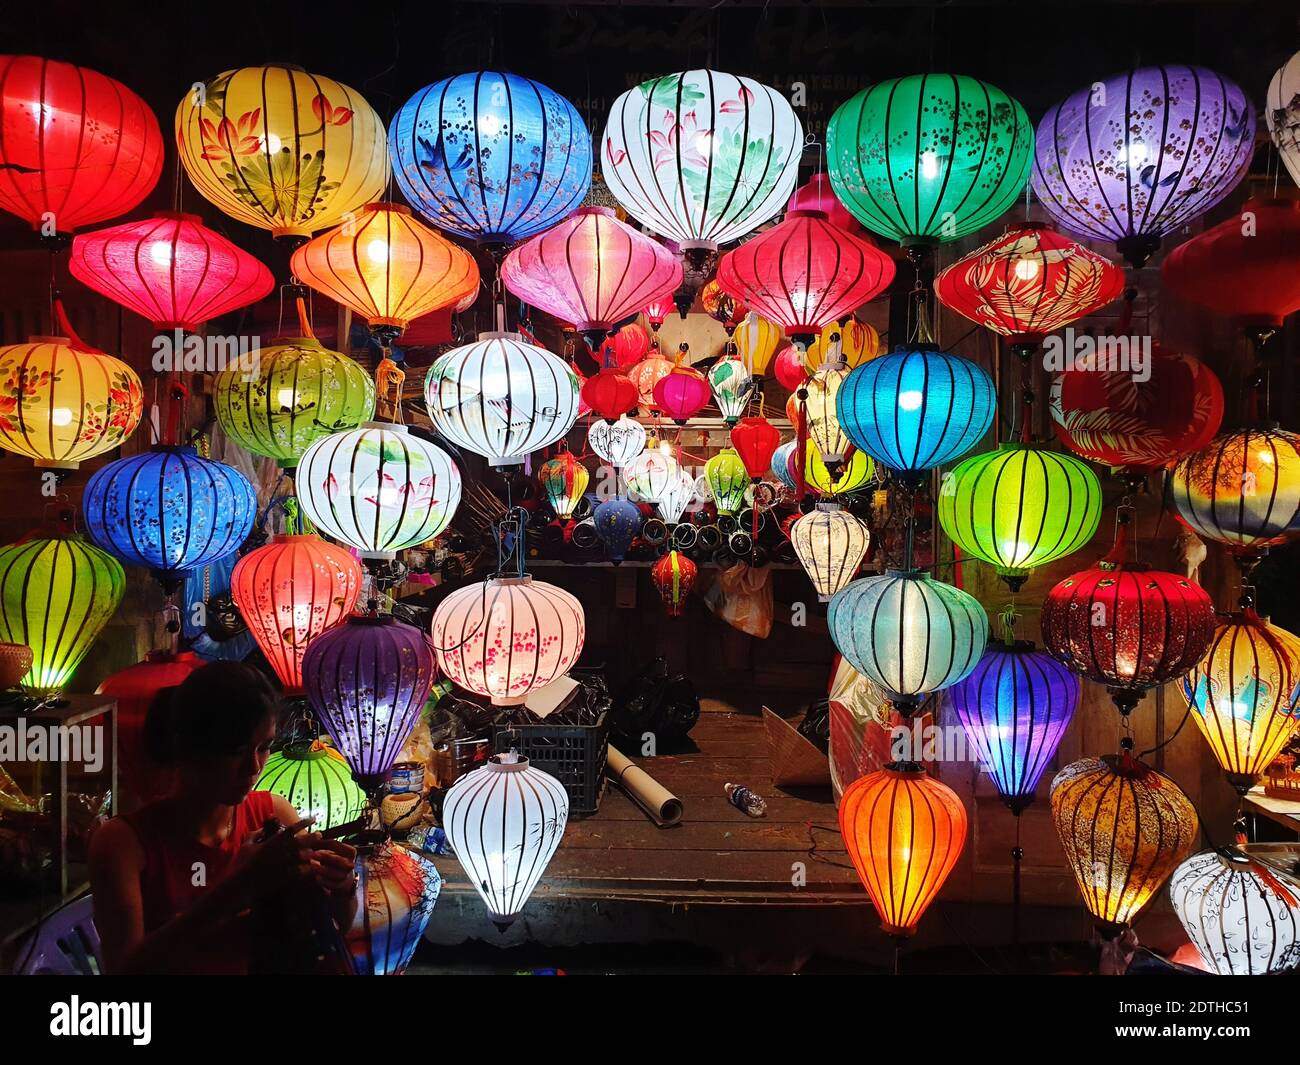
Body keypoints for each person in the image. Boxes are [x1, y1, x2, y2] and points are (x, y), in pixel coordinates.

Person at [89, 661, 358, 974]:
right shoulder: (124, 844)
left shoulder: (272, 815)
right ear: (188, 746)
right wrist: (239, 886)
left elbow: (329, 929)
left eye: (265, 747)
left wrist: (342, 887)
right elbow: (125, 970)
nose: (254, 767)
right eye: (236, 750)